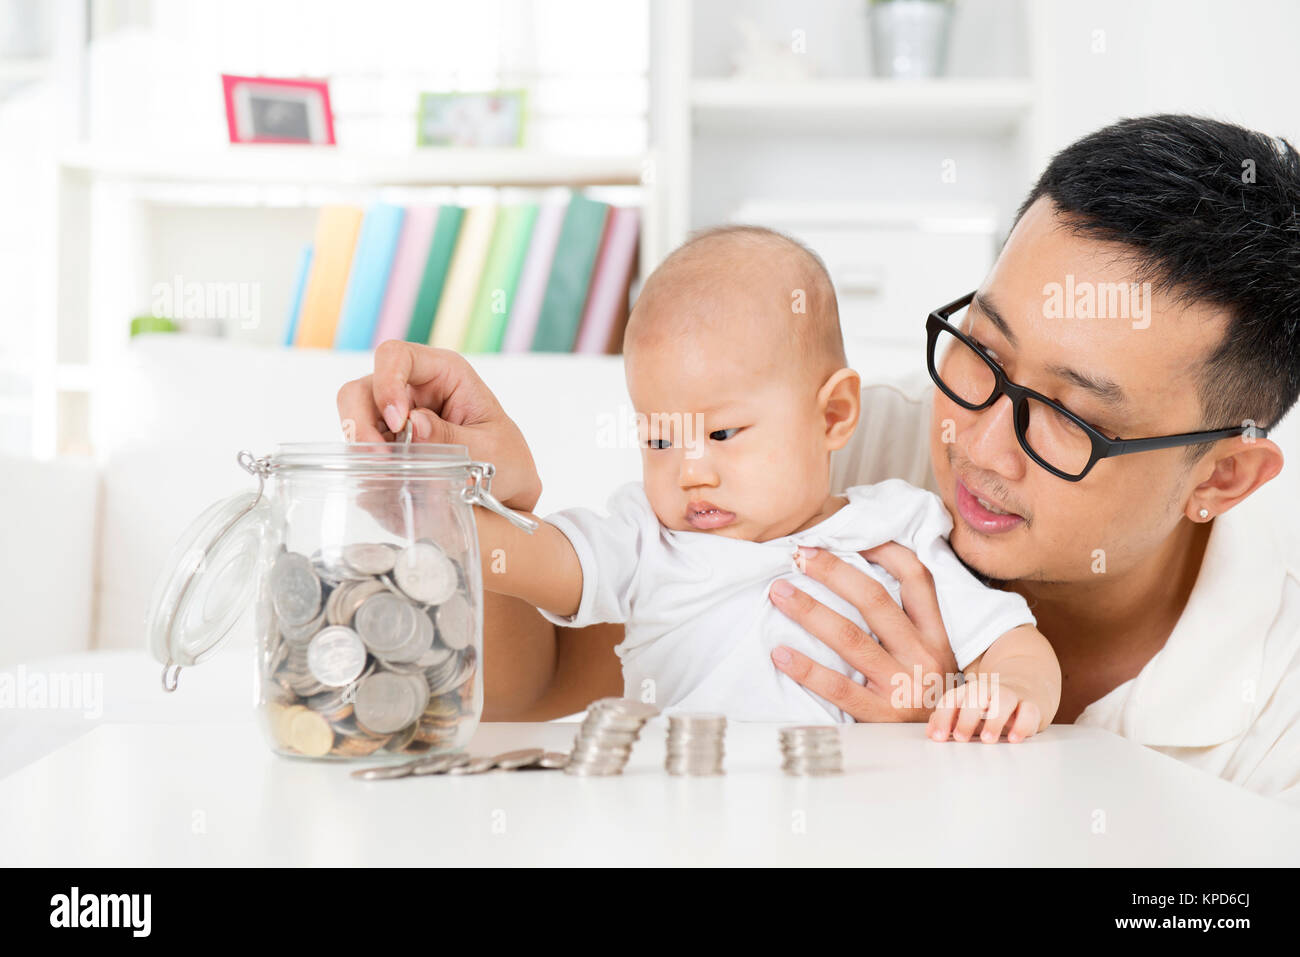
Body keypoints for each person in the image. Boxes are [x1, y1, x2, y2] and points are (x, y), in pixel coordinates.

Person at [336, 114, 1300, 802]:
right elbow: (533, 686)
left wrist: (926, 757)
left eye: (1068, 418)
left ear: (1221, 476)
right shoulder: (831, 455)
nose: (978, 442)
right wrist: (483, 497)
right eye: (983, 350)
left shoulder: (1279, 715)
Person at [466, 226, 1060, 737]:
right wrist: (451, 504)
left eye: (723, 434)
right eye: (659, 440)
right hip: (679, 810)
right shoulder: (647, 534)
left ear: (833, 415)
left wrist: (1007, 693)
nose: (691, 472)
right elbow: (543, 558)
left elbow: (1009, 641)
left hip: (847, 816)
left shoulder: (898, 528)